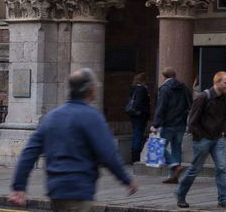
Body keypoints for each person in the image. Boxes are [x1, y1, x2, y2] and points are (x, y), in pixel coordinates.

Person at [8, 68, 138, 212]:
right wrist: (126, 179)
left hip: (56, 190)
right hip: (78, 190)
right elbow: (108, 154)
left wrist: (19, 186)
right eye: (96, 85)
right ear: (90, 89)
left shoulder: (52, 117)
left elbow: (29, 153)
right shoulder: (92, 117)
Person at [177, 70, 226, 209]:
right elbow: (192, 120)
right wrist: (199, 136)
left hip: (217, 138)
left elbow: (224, 116)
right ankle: (181, 193)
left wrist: (222, 130)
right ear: (217, 82)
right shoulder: (203, 97)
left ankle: (223, 200)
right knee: (195, 168)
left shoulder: (224, 98)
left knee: (222, 168)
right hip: (203, 138)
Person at [153, 66, 193, 185]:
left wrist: (155, 124)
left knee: (157, 147)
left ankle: (174, 166)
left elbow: (161, 107)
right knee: (176, 148)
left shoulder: (164, 89)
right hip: (181, 123)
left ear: (164, 76)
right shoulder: (184, 87)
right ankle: (173, 176)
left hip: (168, 123)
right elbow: (190, 104)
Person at [126, 73, 152, 162]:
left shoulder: (133, 88)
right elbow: (139, 103)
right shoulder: (142, 89)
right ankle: (135, 157)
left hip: (134, 115)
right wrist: (145, 112)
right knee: (138, 135)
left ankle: (134, 156)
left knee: (136, 133)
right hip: (140, 115)